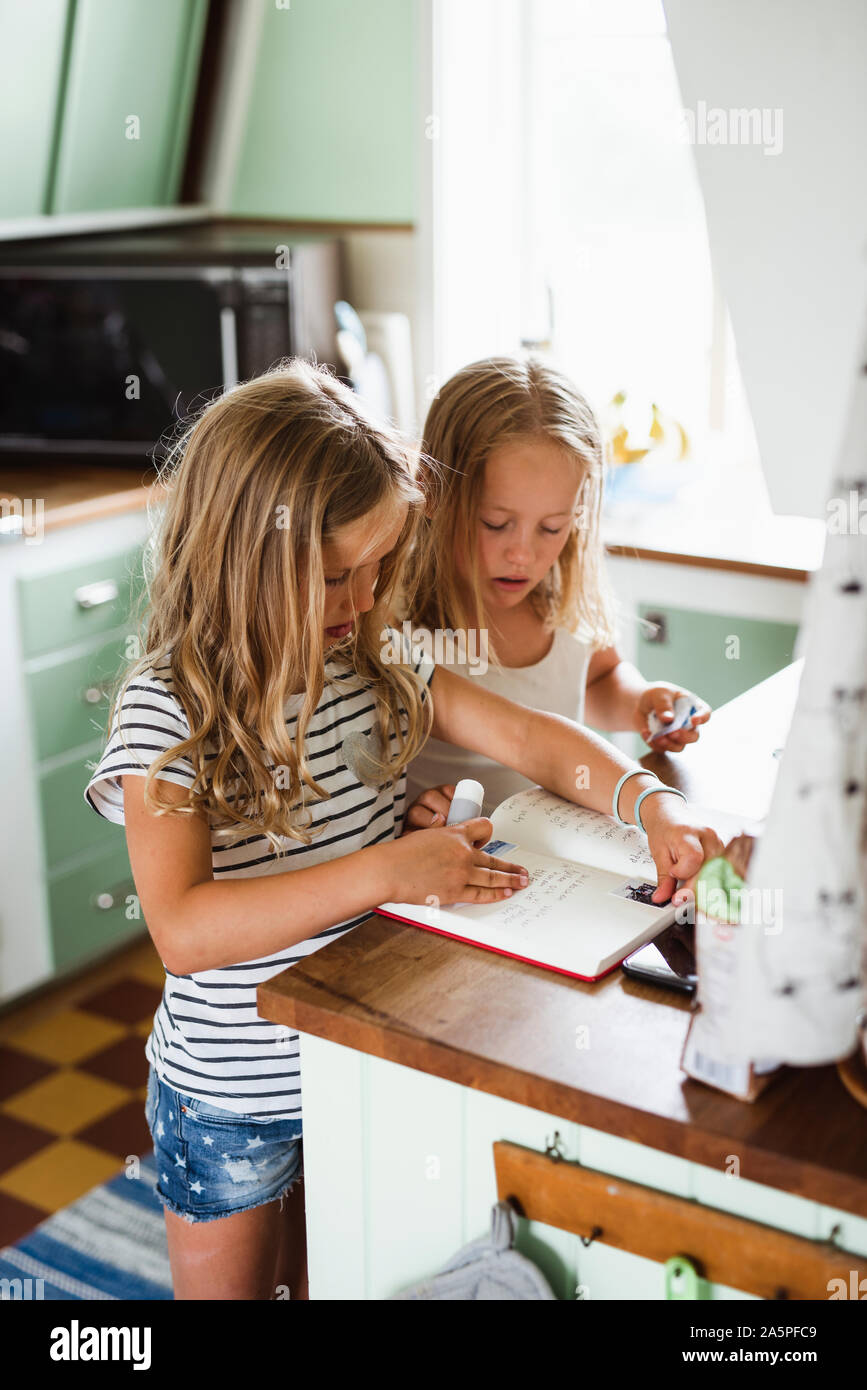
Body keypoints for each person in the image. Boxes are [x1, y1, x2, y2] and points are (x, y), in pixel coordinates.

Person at [84, 360, 722, 1300]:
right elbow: (184, 929)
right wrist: (389, 870)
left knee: (323, 1281)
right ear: (240, 559)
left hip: (358, 1060)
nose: (365, 598)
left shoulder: (374, 655)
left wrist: (648, 801)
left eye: (381, 565)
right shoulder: (167, 716)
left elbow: (530, 738)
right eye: (339, 575)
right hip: (234, 1100)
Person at [404, 355, 712, 818]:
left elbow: (600, 678)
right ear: (430, 488)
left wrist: (641, 703)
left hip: (558, 860)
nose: (524, 555)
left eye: (551, 527)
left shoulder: (562, 591)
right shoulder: (390, 612)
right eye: (495, 523)